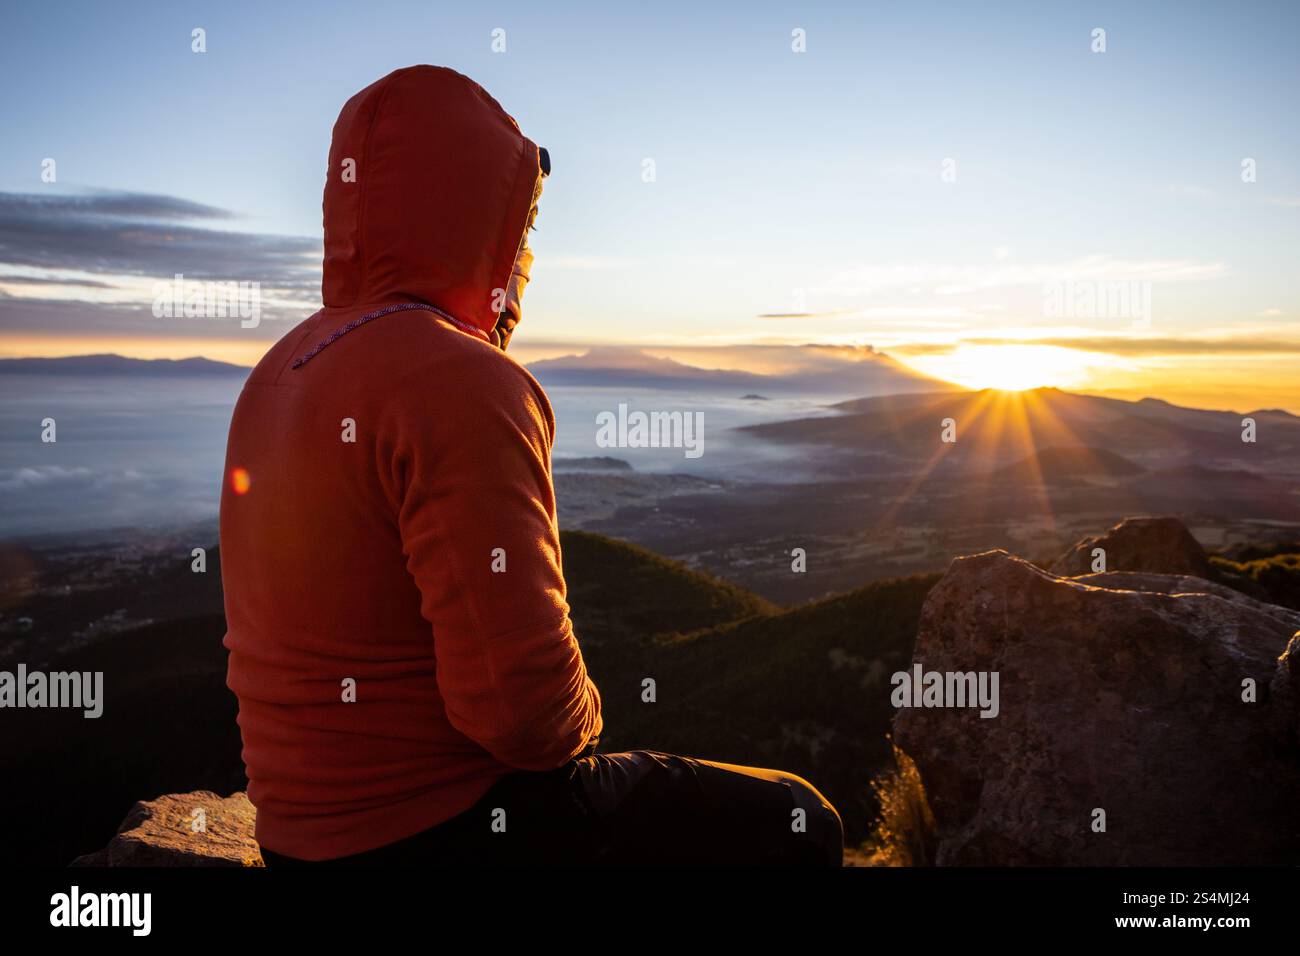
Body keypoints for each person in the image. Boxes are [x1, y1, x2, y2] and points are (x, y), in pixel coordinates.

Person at [220, 65, 842, 866]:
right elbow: (527, 721)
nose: (526, 256)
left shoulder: (279, 368)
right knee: (800, 818)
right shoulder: (460, 379)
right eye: (524, 225)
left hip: (297, 838)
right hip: (440, 827)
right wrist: (588, 714)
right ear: (480, 221)